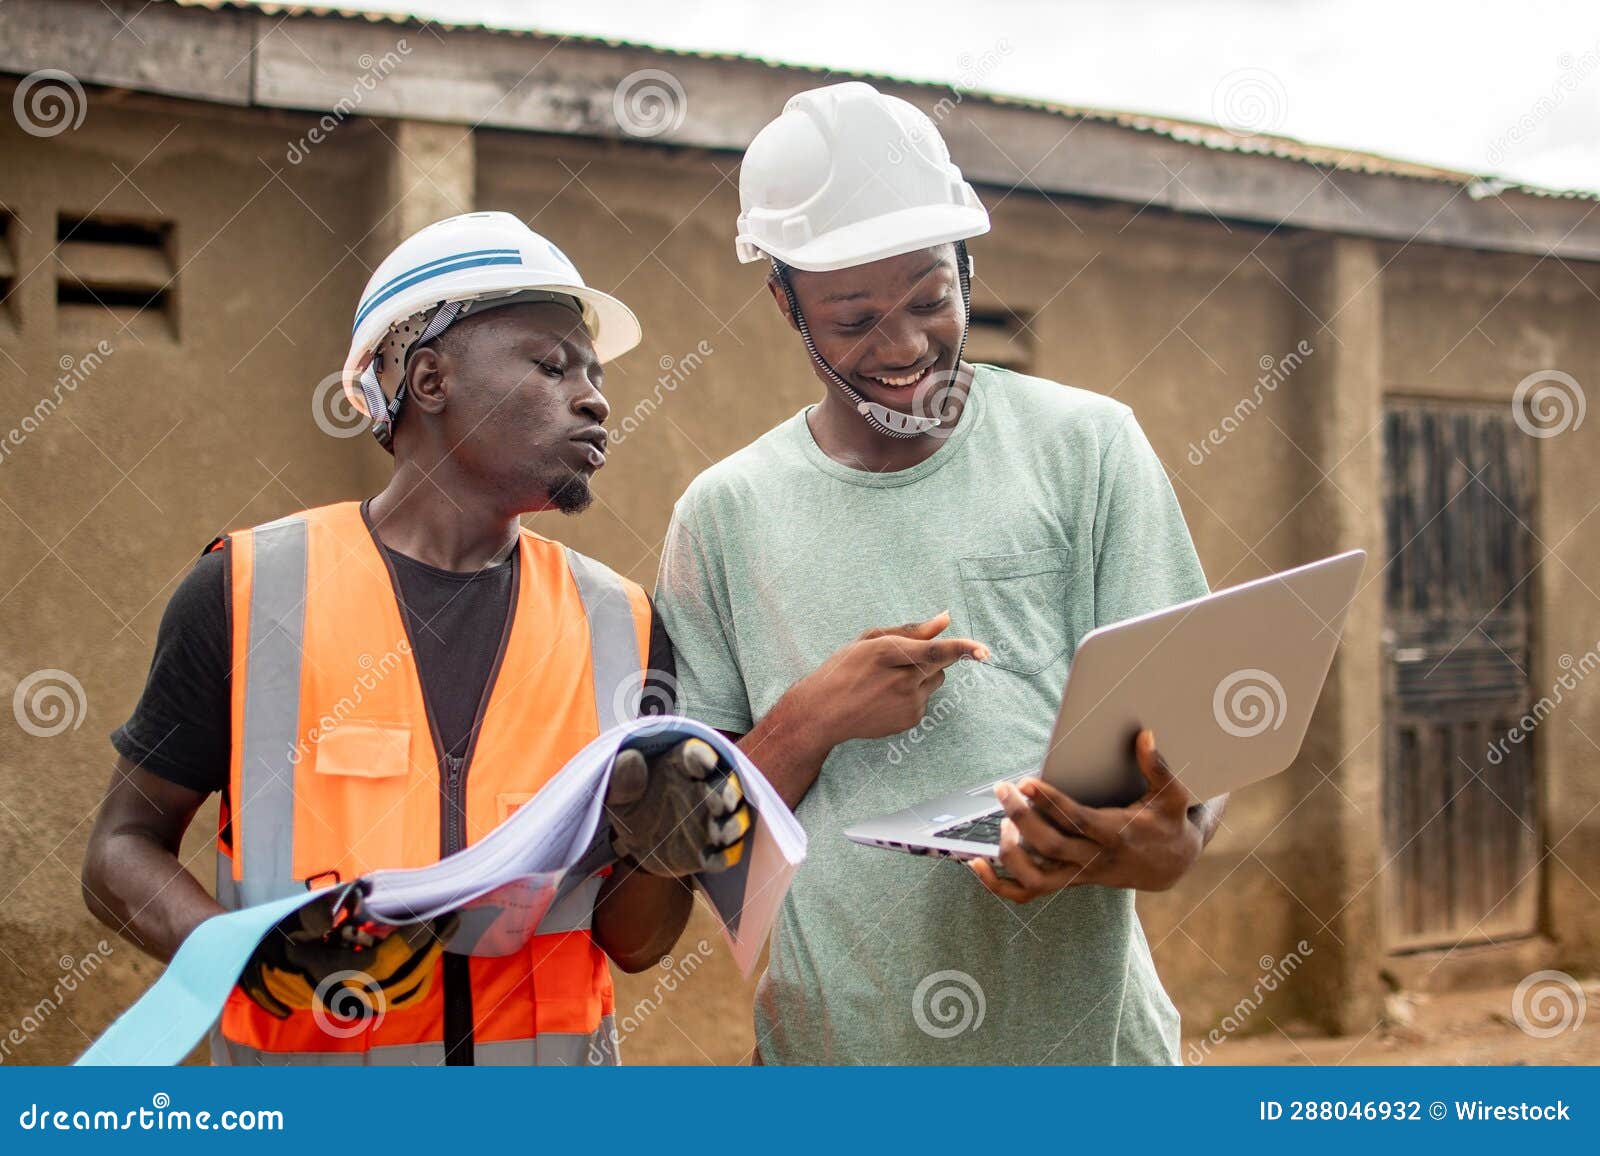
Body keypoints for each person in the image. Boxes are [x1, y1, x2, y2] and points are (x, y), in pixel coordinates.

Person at [82, 211, 749, 1066]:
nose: (595, 396)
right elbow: (120, 848)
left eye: (593, 372)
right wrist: (243, 957)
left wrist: (667, 850)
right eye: (552, 366)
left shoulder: (622, 622)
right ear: (429, 380)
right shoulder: (249, 592)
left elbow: (636, 944)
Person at [653, 83, 1227, 1065]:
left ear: (969, 266)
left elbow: (1188, 778)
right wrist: (810, 719)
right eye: (853, 317)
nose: (905, 346)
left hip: (1089, 1058)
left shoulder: (1085, 448)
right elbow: (692, 851)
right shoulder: (722, 513)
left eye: (931, 298)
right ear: (783, 300)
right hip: (839, 1055)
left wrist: (1146, 847)